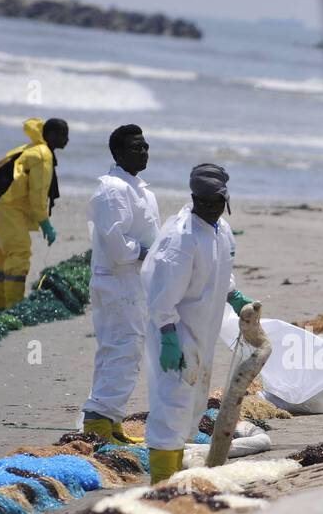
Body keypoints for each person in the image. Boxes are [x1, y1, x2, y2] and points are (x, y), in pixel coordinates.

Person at [142, 164, 258, 484]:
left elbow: (221, 271)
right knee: (172, 404)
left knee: (192, 404)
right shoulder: (180, 240)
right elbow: (161, 295)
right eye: (205, 202)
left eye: (218, 202)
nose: (212, 208)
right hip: (175, 330)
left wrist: (235, 296)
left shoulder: (221, 230)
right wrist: (167, 334)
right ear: (194, 198)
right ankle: (161, 480)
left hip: (202, 328)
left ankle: (175, 469)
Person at [80, 125, 161, 444]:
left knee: (125, 349)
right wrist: (146, 252)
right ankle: (98, 421)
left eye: (145, 147)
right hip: (115, 283)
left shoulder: (139, 188)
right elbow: (117, 247)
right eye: (135, 147)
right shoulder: (112, 189)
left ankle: (109, 420)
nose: (143, 152)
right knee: (120, 349)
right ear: (117, 153)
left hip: (133, 285)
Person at [0, 117, 69, 310]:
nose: (67, 139)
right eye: (64, 134)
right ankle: (13, 306)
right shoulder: (43, 155)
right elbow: (37, 195)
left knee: (5, 249)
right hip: (7, 201)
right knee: (19, 249)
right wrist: (45, 223)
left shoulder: (31, 147)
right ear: (52, 135)